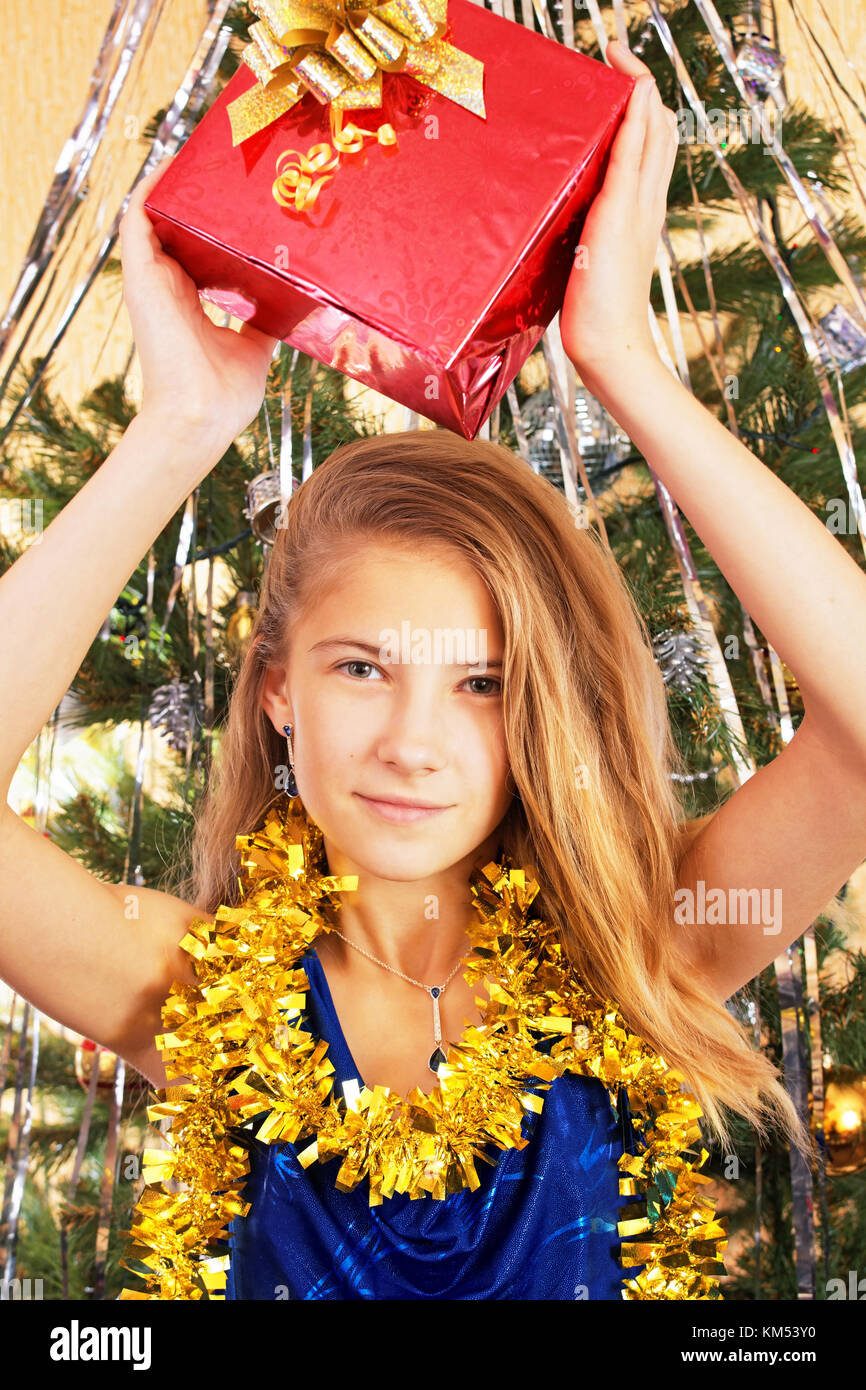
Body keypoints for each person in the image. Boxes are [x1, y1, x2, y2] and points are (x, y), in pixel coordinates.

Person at [1, 39, 865, 1302]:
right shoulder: (185, 987)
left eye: (482, 683)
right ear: (275, 691)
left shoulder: (650, 948)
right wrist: (175, 432)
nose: (414, 739)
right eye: (361, 668)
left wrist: (623, 360)